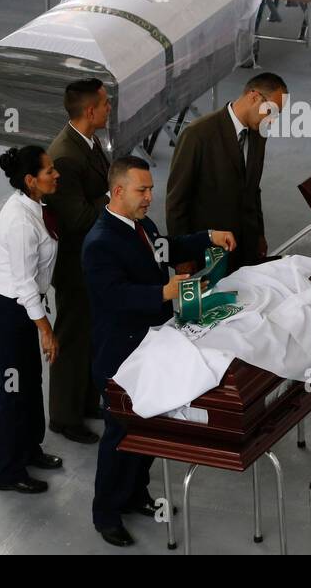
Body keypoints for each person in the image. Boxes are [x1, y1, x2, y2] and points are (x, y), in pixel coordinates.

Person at [82, 155, 236, 546]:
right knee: (119, 435)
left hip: (150, 344)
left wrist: (207, 237)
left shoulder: (142, 225)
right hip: (120, 354)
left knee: (148, 425)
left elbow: (166, 249)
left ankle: (135, 495)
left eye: (150, 188)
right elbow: (114, 296)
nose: (150, 196)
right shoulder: (100, 243)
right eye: (142, 190)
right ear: (118, 192)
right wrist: (162, 293)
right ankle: (106, 513)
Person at [0, 146, 64, 494]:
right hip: (10, 309)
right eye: (49, 171)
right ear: (31, 181)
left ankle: (30, 449)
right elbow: (24, 286)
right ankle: (6, 470)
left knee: (30, 382)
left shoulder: (32, 206)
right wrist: (46, 330)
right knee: (13, 390)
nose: (56, 174)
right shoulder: (19, 222)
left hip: (23, 308)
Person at [45, 79, 111, 444]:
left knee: (88, 334)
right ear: (90, 111)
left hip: (91, 261)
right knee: (71, 338)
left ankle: (85, 402)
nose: (109, 109)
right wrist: (113, 196)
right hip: (74, 267)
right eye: (105, 104)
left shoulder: (86, 141)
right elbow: (79, 218)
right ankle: (63, 416)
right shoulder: (66, 157)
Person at [166, 72, 287, 271]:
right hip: (209, 253)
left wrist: (259, 234)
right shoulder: (198, 135)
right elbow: (176, 202)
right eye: (272, 112)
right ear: (254, 97)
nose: (272, 121)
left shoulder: (259, 135)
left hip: (246, 249)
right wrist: (182, 254)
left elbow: (253, 189)